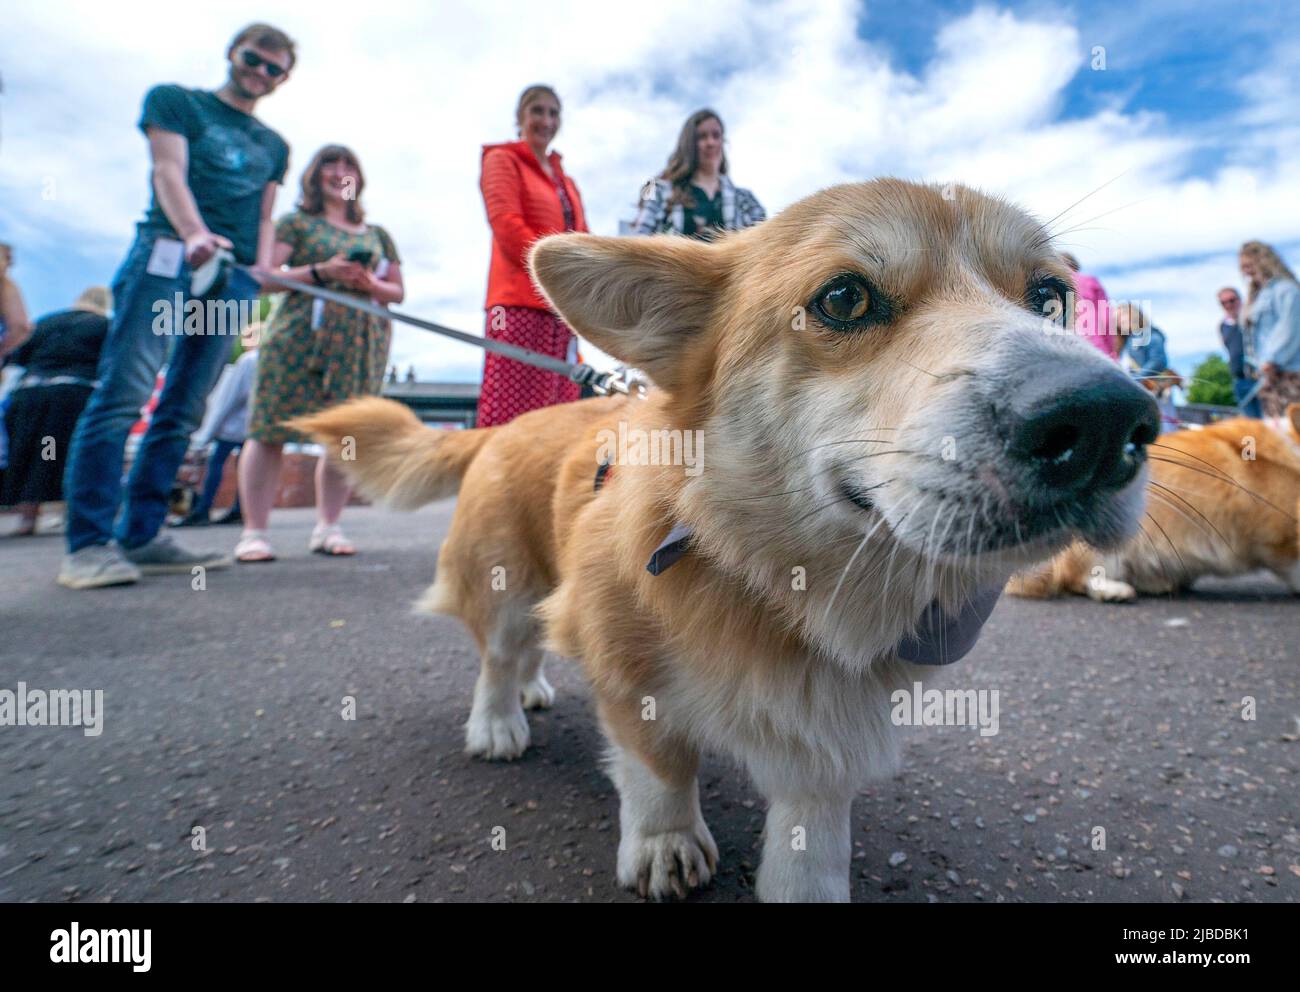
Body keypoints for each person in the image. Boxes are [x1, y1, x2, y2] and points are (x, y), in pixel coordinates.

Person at [57, 23, 294, 589]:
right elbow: (168, 170)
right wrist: (193, 233)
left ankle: (142, 534)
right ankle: (88, 546)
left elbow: (264, 215)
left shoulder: (274, 146)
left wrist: (261, 270)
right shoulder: (176, 101)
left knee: (186, 408)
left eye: (274, 69)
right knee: (124, 395)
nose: (260, 73)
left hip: (234, 279)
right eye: (253, 59)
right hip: (170, 255)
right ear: (233, 54)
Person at [235, 145, 404, 562]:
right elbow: (264, 278)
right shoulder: (296, 224)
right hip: (298, 339)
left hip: (360, 343)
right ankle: (254, 531)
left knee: (344, 436)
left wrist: (368, 283)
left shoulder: (377, 235)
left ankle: (328, 525)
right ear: (315, 176)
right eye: (331, 164)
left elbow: (397, 291)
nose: (340, 172)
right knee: (269, 428)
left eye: (349, 164)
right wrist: (321, 272)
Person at [477, 84, 588, 428]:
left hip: (562, 310)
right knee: (512, 412)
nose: (546, 120)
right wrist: (556, 273)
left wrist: (582, 284)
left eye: (553, 113)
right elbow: (507, 225)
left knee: (557, 414)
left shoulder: (565, 180)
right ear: (520, 118)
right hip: (517, 307)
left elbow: (581, 238)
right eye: (537, 111)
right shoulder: (502, 160)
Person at [1, 287, 111, 536]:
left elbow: (17, 358)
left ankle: (27, 516)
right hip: (70, 396)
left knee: (25, 453)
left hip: (27, 394)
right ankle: (72, 514)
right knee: (57, 454)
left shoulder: (45, 323)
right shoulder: (104, 325)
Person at [174, 321, 262, 527]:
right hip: (254, 427)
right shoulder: (271, 360)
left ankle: (203, 508)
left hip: (232, 428)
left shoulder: (248, 360)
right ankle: (241, 509)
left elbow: (228, 399)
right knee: (247, 468)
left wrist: (206, 433)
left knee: (216, 465)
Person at [631, 109, 766, 240]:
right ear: (689, 144)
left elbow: (764, 245)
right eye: (702, 136)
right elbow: (640, 242)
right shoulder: (660, 191)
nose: (711, 142)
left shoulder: (745, 200)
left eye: (716, 135)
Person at [1240, 241, 1300, 420]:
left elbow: (1289, 327)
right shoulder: (1258, 296)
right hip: (1270, 376)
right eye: (1243, 267)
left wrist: (1272, 360)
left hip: (1289, 374)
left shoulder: (1285, 289)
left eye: (1249, 265)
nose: (1246, 272)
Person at [1060, 253, 1115, 358]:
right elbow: (1106, 317)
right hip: (1095, 340)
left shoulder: (1052, 287)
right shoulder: (1090, 281)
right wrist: (1111, 349)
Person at [1217, 285, 1260, 417]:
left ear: (1239, 299)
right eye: (1224, 302)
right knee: (1252, 424)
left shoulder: (1252, 319)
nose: (1228, 305)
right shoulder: (1223, 326)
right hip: (1240, 381)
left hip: (1259, 378)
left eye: (1232, 300)